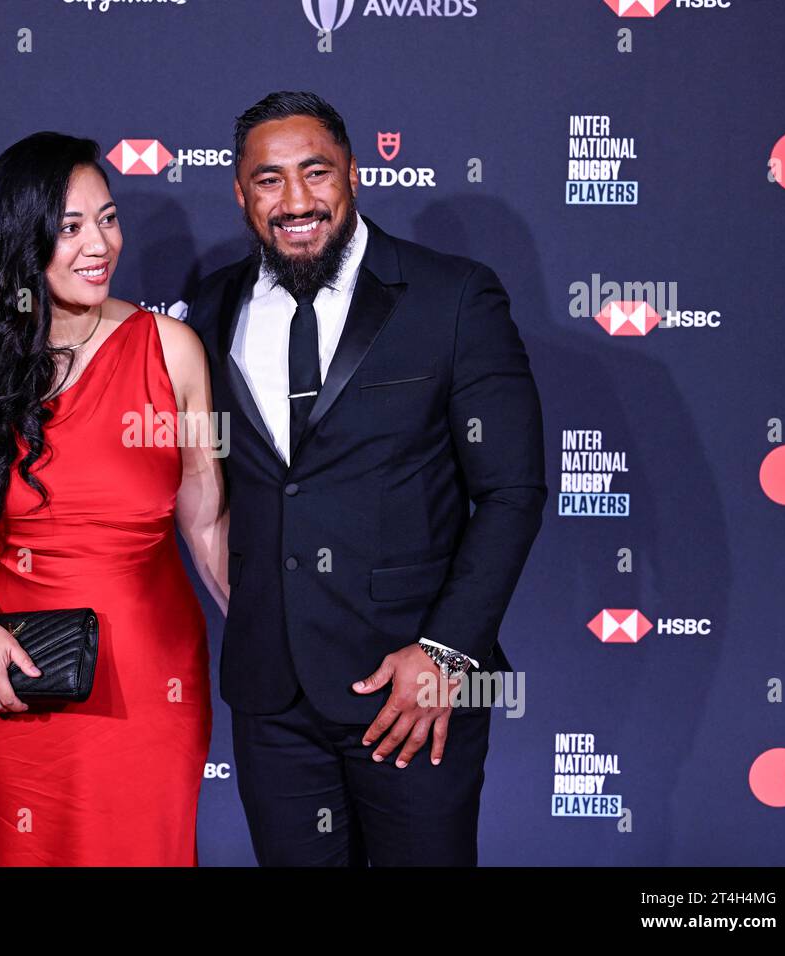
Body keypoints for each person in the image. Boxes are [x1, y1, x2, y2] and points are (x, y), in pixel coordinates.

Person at [185, 91, 546, 866]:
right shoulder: (210, 309)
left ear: (353, 172)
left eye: (315, 172)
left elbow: (512, 492)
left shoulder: (452, 297)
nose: (296, 200)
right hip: (271, 696)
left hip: (412, 687)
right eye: (268, 180)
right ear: (241, 194)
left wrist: (446, 652)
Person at [0, 131, 227, 866]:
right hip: (15, 673)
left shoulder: (171, 349)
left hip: (152, 679)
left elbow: (206, 519)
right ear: (22, 237)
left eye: (108, 219)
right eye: (70, 226)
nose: (99, 244)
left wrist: (279, 626)